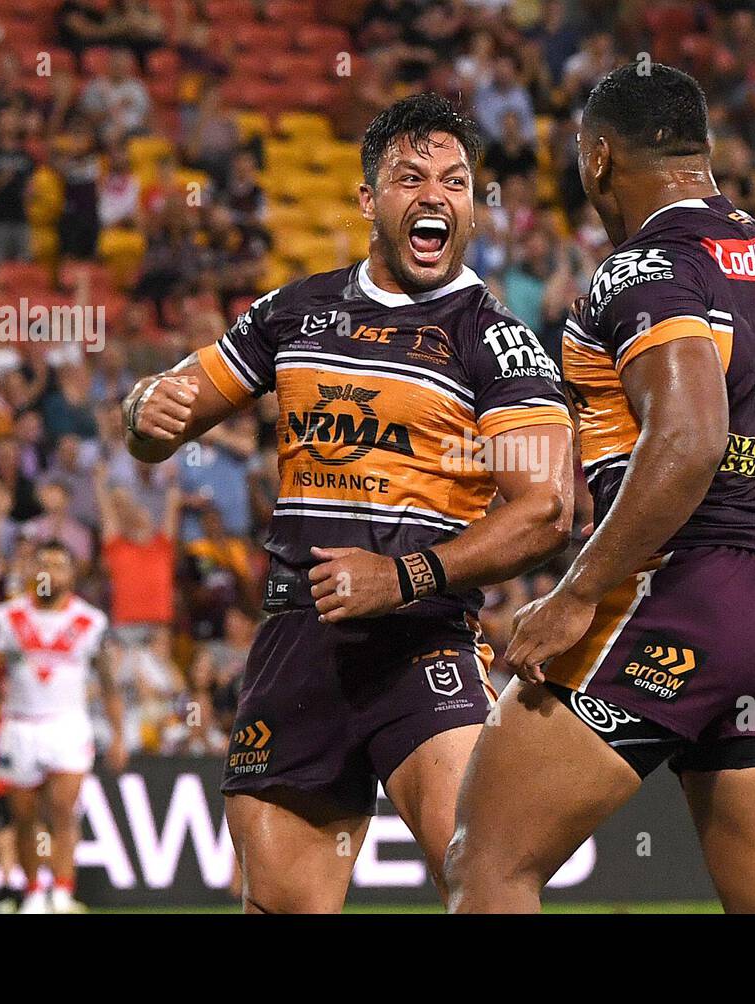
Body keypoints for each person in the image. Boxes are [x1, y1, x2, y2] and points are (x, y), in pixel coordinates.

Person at [443, 62, 755, 915]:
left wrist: (577, 593)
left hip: (672, 588)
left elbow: (690, 438)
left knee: (489, 863)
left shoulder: (644, 268)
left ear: (596, 157)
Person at [120, 94, 574, 912]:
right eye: (411, 178)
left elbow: (546, 507)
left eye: (456, 180)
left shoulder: (495, 338)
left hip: (422, 641)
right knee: (284, 905)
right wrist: (143, 412)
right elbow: (167, 412)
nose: (436, 194)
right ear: (371, 201)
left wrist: (403, 578)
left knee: (483, 874)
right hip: (298, 639)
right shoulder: (294, 311)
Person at [0, 540, 126, 914]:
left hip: (68, 726)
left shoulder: (91, 622)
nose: (49, 572)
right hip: (19, 727)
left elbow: (107, 683)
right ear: (29, 570)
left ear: (72, 575)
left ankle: (62, 890)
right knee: (24, 817)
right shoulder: (6, 618)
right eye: (42, 564)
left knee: (62, 810)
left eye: (58, 565)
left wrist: (119, 733)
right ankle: (34, 891)